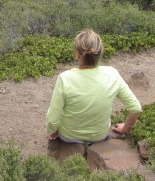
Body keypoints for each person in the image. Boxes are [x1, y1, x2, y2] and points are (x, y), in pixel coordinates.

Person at [45, 29, 141, 160]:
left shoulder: (65, 78)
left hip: (68, 136)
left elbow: (52, 118)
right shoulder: (112, 74)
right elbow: (135, 108)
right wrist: (125, 128)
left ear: (78, 54)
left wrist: (53, 131)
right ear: (100, 53)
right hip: (99, 136)